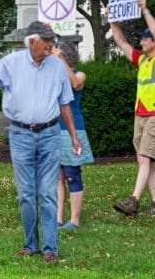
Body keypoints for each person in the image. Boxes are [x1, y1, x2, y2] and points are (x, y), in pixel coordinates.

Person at [0, 21, 81, 265]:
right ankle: (30, 244)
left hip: (50, 134)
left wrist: (74, 137)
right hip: (21, 135)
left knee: (47, 194)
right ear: (32, 42)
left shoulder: (57, 66)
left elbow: (65, 104)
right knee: (26, 194)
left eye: (51, 40)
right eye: (46, 40)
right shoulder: (12, 63)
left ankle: (50, 249)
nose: (50, 45)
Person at [109, 0, 155, 217]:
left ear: (154, 44)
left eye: (144, 40)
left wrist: (144, 9)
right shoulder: (143, 60)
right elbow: (121, 43)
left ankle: (134, 200)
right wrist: (112, 20)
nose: (141, 42)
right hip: (141, 114)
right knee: (146, 160)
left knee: (145, 158)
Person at [53, 41, 94, 230]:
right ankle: (58, 218)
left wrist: (60, 60)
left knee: (72, 175)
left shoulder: (79, 74)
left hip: (72, 130)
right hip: (53, 129)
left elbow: (75, 84)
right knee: (57, 176)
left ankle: (74, 220)